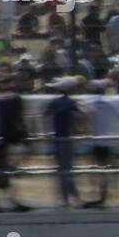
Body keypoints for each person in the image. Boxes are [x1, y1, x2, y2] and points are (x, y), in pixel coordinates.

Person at [82, 81, 119, 207]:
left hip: (94, 141)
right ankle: (108, 195)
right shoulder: (112, 102)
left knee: (97, 170)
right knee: (114, 169)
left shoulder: (88, 102)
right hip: (108, 141)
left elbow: (84, 120)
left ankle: (98, 194)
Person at [42, 78, 83, 208]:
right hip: (67, 139)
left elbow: (45, 115)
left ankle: (69, 197)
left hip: (57, 139)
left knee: (62, 169)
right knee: (67, 169)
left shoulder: (54, 103)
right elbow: (80, 116)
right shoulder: (71, 103)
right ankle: (71, 197)